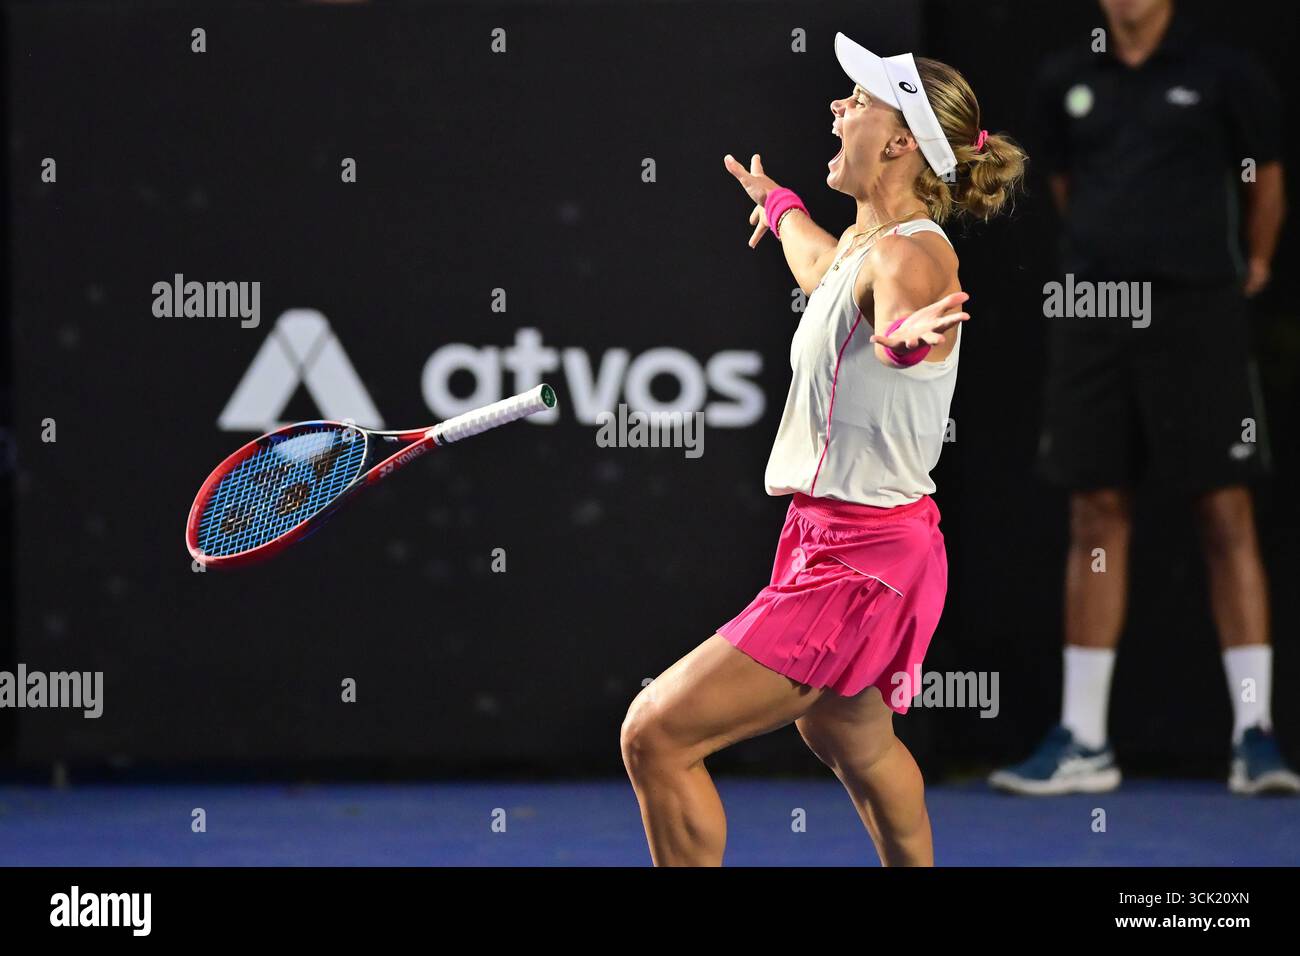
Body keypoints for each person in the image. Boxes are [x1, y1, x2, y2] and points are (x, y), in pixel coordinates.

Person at [620, 32, 1026, 865]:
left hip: (860, 562)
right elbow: (818, 264)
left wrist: (907, 343)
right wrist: (777, 204)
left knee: (654, 734)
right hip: (851, 542)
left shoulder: (911, 256)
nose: (838, 105)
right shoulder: (864, 247)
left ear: (901, 142)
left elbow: (902, 326)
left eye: (860, 100)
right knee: (850, 735)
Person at [990, 0, 1298, 796]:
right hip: (1094, 316)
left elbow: (1264, 179)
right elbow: (1064, 186)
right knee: (1094, 509)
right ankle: (1085, 739)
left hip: (1200, 313)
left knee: (1225, 507)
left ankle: (1254, 734)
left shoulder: (1224, 73)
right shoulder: (1066, 79)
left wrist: (1255, 267)